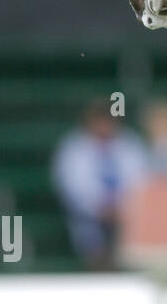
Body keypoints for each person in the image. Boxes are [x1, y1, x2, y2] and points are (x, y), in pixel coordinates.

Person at [51, 99, 149, 271]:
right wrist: (99, 207)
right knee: (86, 230)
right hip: (88, 216)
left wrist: (122, 207)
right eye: (100, 120)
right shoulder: (74, 148)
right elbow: (72, 187)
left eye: (108, 120)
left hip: (127, 214)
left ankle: (128, 265)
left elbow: (142, 181)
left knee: (137, 227)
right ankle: (97, 264)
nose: (104, 126)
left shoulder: (131, 145)